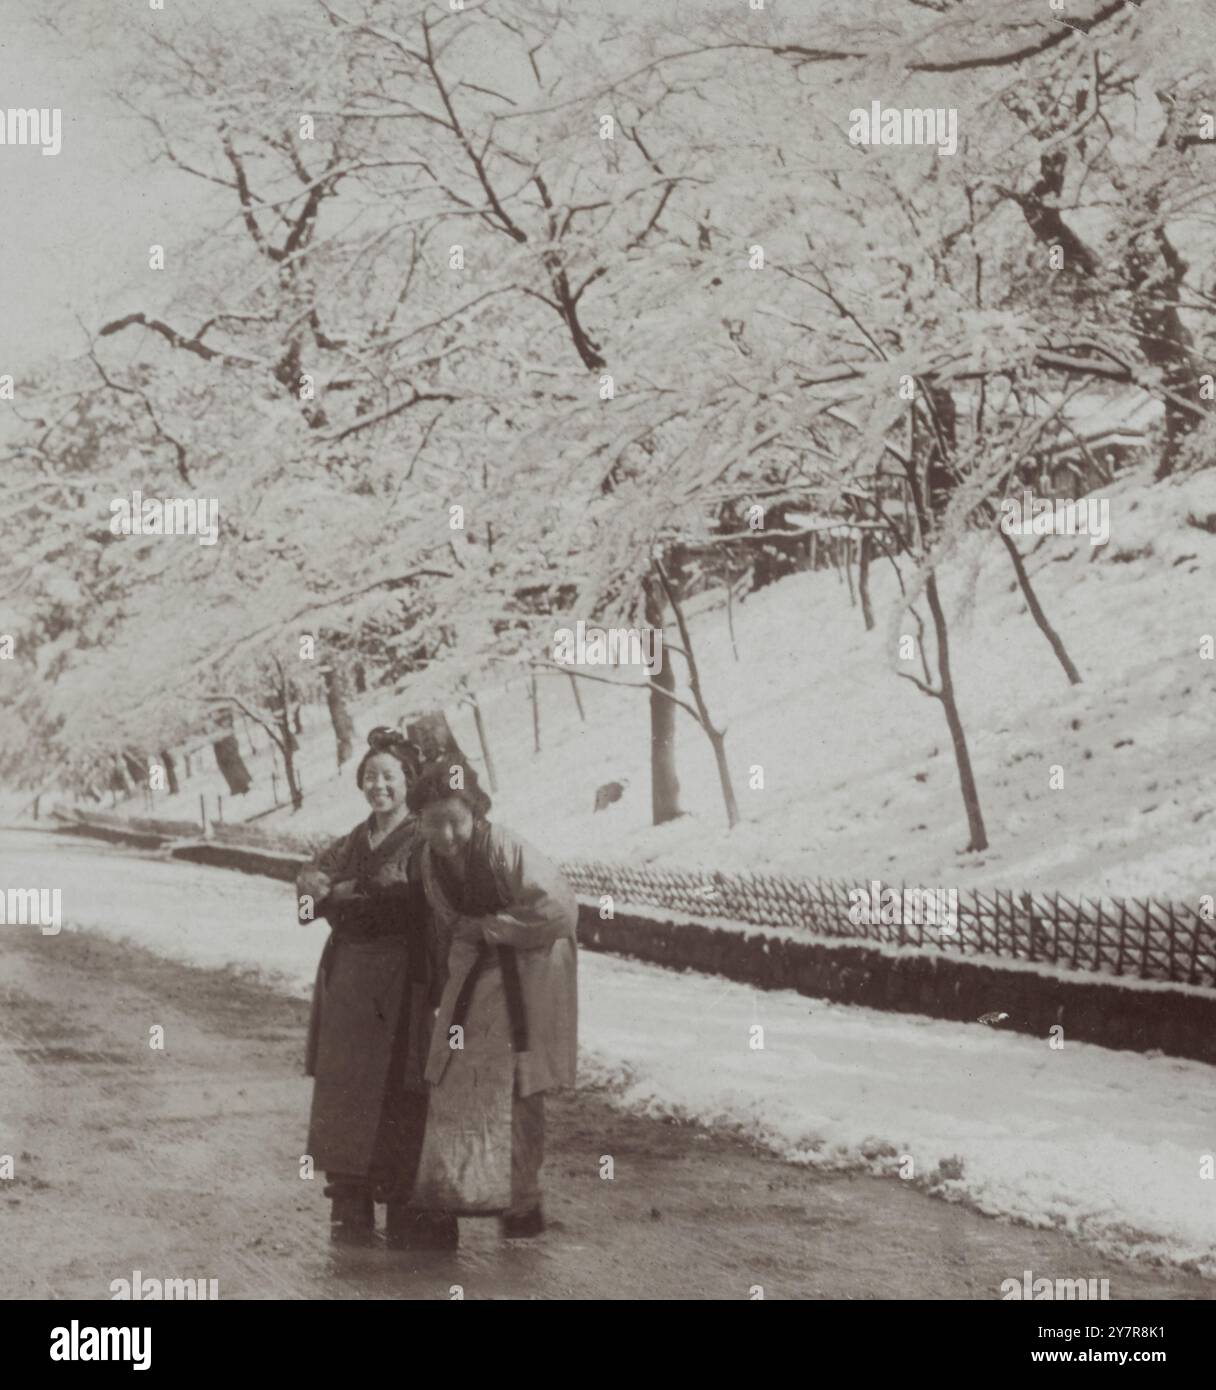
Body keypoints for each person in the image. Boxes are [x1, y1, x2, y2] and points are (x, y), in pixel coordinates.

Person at [404, 758, 578, 1244]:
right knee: (451, 1071)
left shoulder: (505, 847)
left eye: (455, 821)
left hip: (529, 968)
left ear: (475, 813)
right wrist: (443, 982)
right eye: (432, 822)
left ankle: (522, 1203)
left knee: (518, 1084)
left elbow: (561, 911)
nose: (446, 835)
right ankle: (453, 1191)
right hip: (474, 971)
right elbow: (445, 925)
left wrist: (495, 928)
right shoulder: (426, 860)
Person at [296, 727, 443, 1247]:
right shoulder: (356, 838)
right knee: (345, 1086)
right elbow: (316, 881)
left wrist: (347, 895)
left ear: (409, 781)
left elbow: (409, 898)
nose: (378, 786)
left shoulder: (425, 836)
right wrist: (317, 884)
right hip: (350, 979)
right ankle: (349, 1197)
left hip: (402, 980)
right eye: (370, 776)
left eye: (390, 776)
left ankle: (403, 1200)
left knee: (398, 1087)